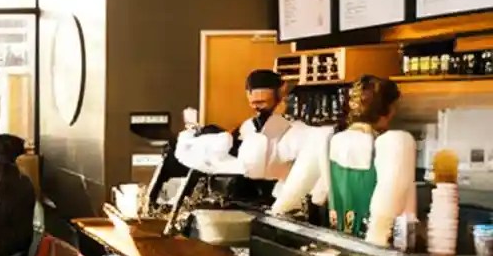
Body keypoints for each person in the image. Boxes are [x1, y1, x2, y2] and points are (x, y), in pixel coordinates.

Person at [272, 75, 415, 246]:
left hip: (338, 250)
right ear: (391, 110)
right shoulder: (391, 144)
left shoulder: (327, 139)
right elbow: (385, 216)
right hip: (374, 253)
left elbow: (288, 199)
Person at [175, 69, 308, 199]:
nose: (257, 108)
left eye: (263, 103)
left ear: (279, 96)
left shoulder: (296, 127)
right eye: (253, 103)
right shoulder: (248, 127)